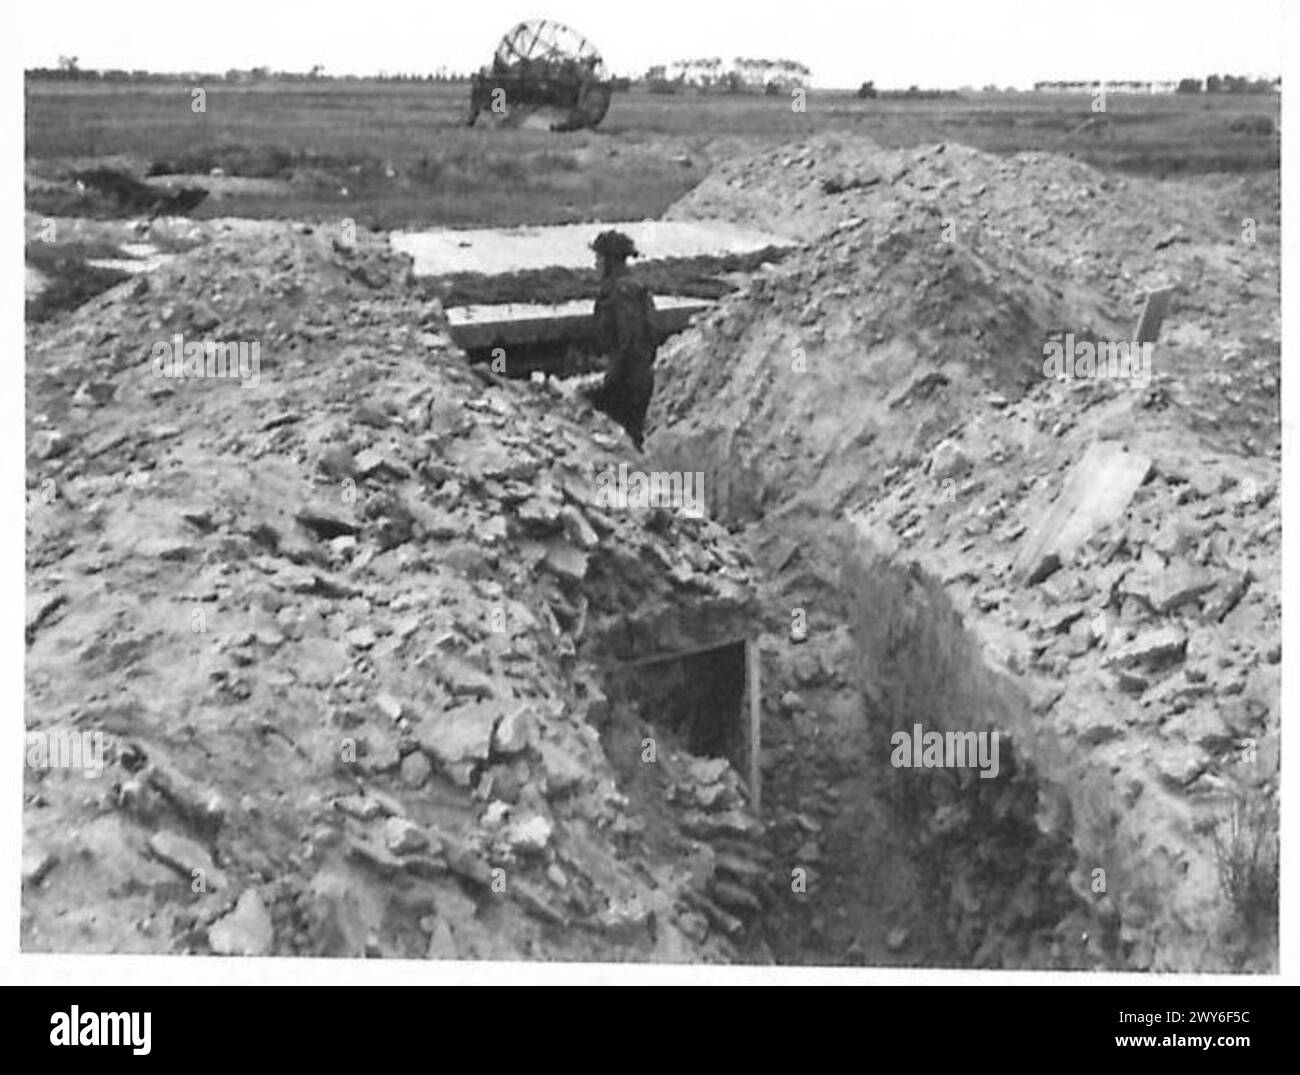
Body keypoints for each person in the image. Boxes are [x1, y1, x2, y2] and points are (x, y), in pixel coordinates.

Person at [586, 230, 658, 451]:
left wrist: (610, 380)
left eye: (598, 258)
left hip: (628, 382)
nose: (595, 264)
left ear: (610, 261)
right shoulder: (629, 288)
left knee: (620, 441)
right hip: (635, 378)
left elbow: (629, 343)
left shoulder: (622, 292)